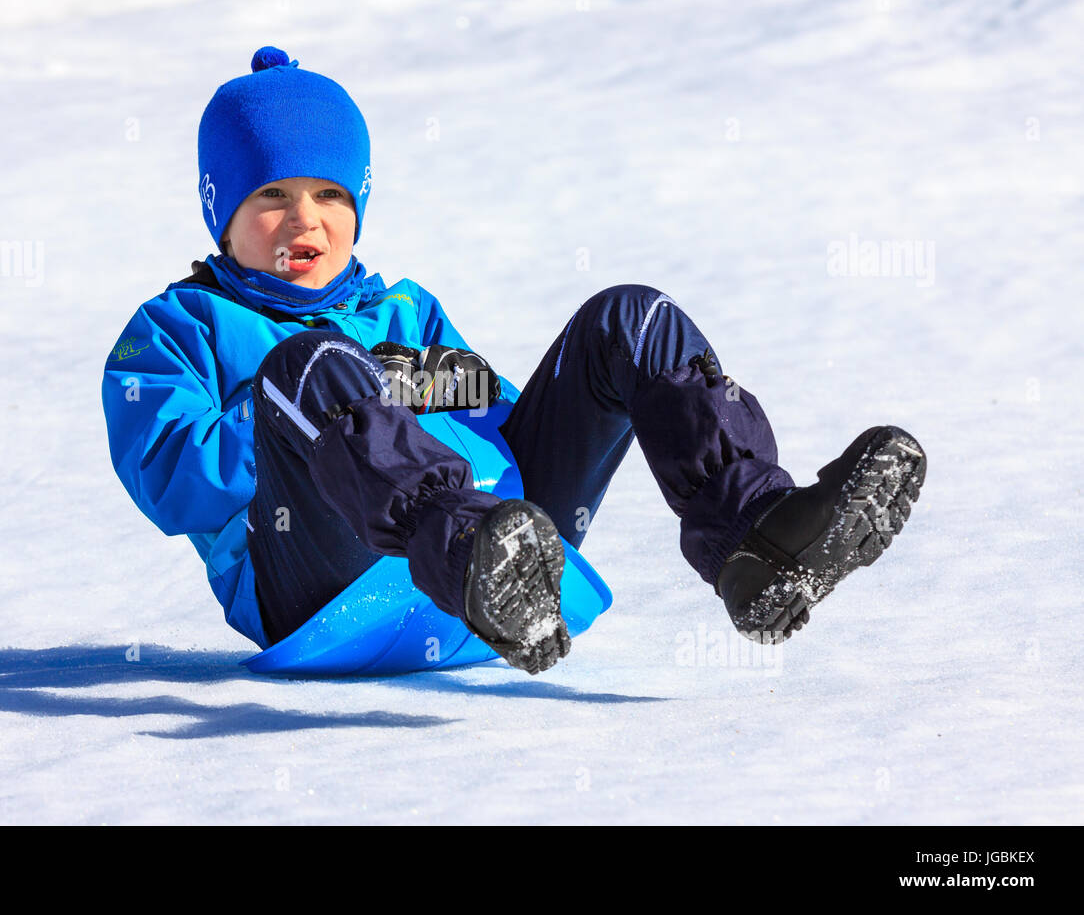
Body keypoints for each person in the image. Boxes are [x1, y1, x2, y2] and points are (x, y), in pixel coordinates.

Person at [101, 47, 926, 676]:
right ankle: (462, 550)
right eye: (270, 196)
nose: (302, 220)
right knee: (310, 364)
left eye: (330, 195)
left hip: (503, 572)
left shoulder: (404, 309)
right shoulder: (176, 328)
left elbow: (489, 410)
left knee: (631, 318)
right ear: (222, 210)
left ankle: (758, 543)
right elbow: (174, 477)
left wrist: (415, 387)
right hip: (318, 590)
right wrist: (313, 405)